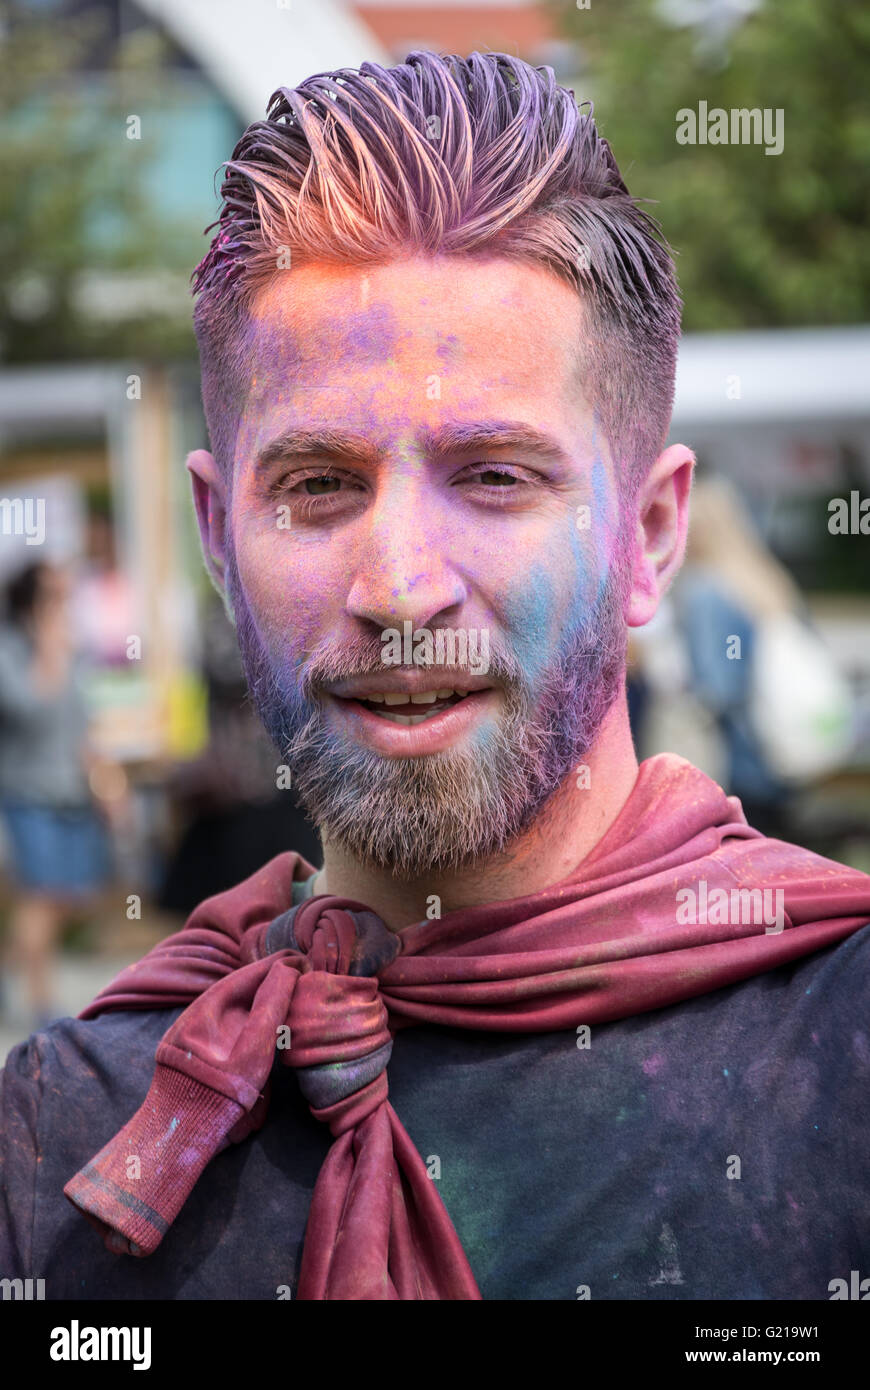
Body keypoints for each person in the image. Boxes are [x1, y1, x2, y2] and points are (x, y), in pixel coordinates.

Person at [1, 51, 868, 1302]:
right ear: (217, 541)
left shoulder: (843, 1053)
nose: (401, 589)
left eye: (496, 477)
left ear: (649, 535)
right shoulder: (71, 1134)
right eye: (318, 485)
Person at [0, 563, 116, 1029]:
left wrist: (107, 786)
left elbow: (81, 725)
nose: (63, 605)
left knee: (68, 896)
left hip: (71, 793)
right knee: (40, 897)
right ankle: (42, 1006)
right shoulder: (10, 650)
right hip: (27, 795)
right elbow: (31, 707)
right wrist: (48, 651)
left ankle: (9, 970)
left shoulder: (73, 649)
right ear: (32, 599)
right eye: (54, 596)